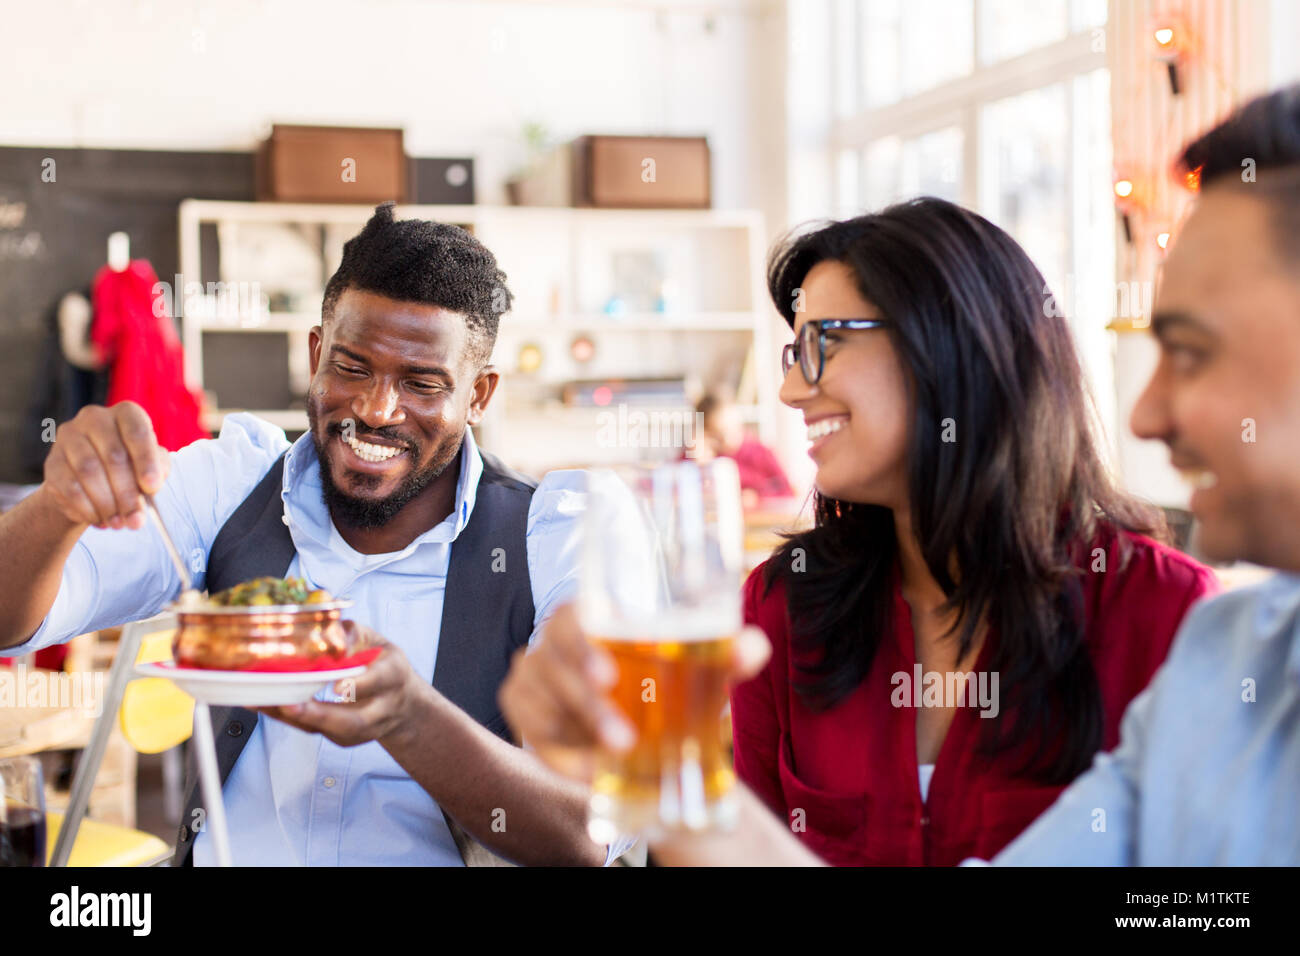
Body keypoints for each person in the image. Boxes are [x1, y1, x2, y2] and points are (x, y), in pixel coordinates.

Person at [503, 85, 1300, 866]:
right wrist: (655, 759)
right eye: (794, 347)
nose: (789, 389)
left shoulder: (1169, 618)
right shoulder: (1232, 657)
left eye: (828, 341)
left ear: (952, 344)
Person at [0, 202, 631, 867]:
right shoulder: (231, 483)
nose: (375, 410)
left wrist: (406, 717)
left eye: (421, 383)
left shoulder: (556, 538)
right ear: (315, 353)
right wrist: (59, 508)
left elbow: (586, 837)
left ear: (479, 396)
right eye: (352, 367)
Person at [692, 390, 794, 508]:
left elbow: (786, 491)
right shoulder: (703, 457)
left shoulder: (760, 452)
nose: (728, 440)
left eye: (731, 429)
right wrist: (700, 464)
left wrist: (758, 498)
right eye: (719, 434)